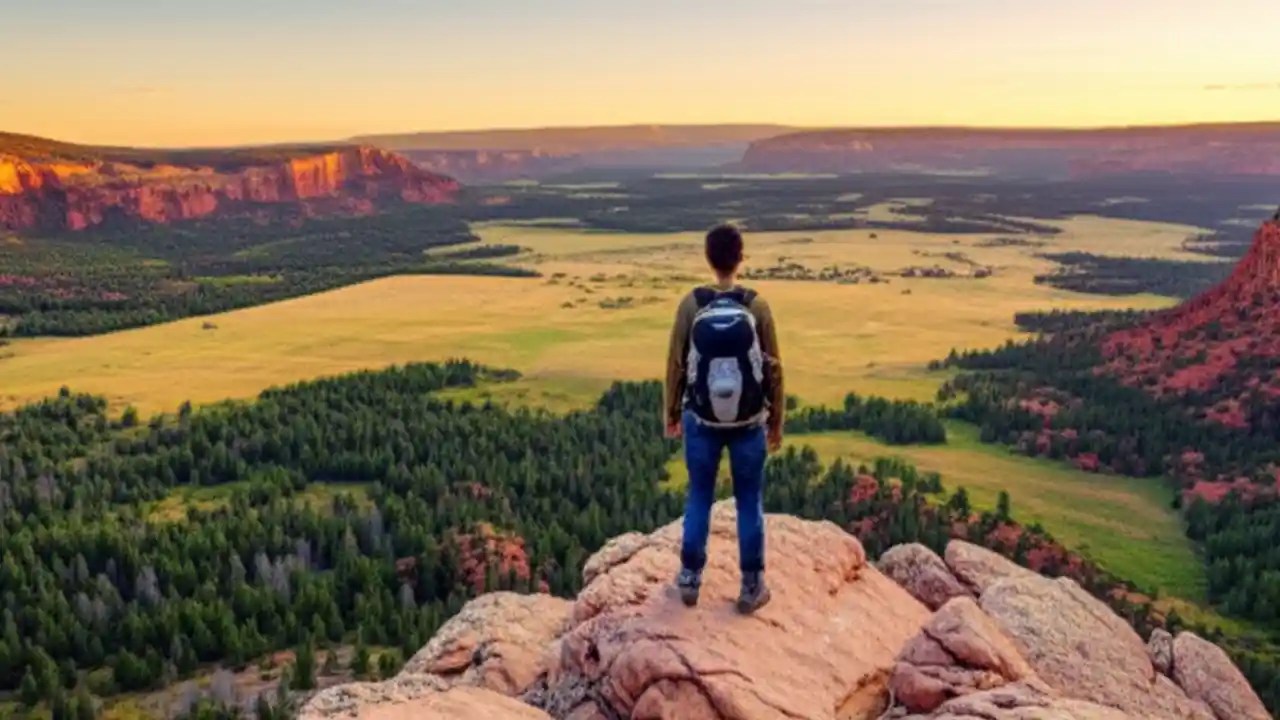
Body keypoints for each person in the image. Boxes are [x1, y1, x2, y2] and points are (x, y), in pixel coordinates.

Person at [664, 223, 784, 614]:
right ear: (740, 257)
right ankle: (751, 586)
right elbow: (774, 369)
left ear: (708, 258)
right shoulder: (757, 305)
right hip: (749, 422)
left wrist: (672, 413)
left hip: (701, 420)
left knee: (699, 495)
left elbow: (676, 364)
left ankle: (689, 578)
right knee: (750, 501)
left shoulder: (691, 304)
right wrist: (776, 422)